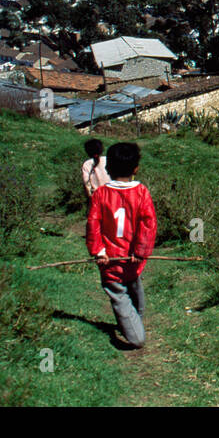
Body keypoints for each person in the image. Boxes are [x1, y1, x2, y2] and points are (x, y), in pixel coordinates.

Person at [85, 142, 157, 349]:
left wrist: (99, 251)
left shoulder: (100, 194)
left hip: (110, 261)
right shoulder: (142, 192)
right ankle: (135, 334)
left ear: (108, 168)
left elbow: (93, 225)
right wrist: (140, 251)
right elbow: (149, 224)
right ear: (136, 168)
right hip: (132, 260)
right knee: (131, 289)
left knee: (124, 294)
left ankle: (133, 327)